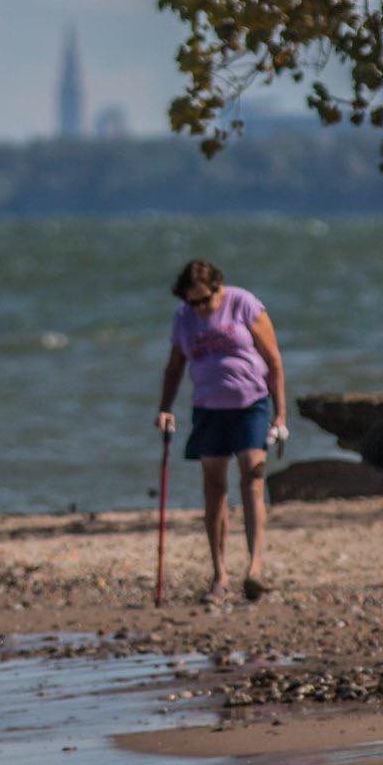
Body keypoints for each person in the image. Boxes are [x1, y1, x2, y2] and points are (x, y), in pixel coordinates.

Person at [154, 258, 286, 605]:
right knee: (214, 489)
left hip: (251, 404)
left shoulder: (243, 303)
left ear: (218, 288)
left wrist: (280, 415)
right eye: (191, 302)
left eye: (204, 301)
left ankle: (254, 568)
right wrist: (165, 408)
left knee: (252, 476)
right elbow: (174, 367)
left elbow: (273, 360)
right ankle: (219, 574)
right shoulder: (184, 318)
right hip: (208, 409)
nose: (198, 308)